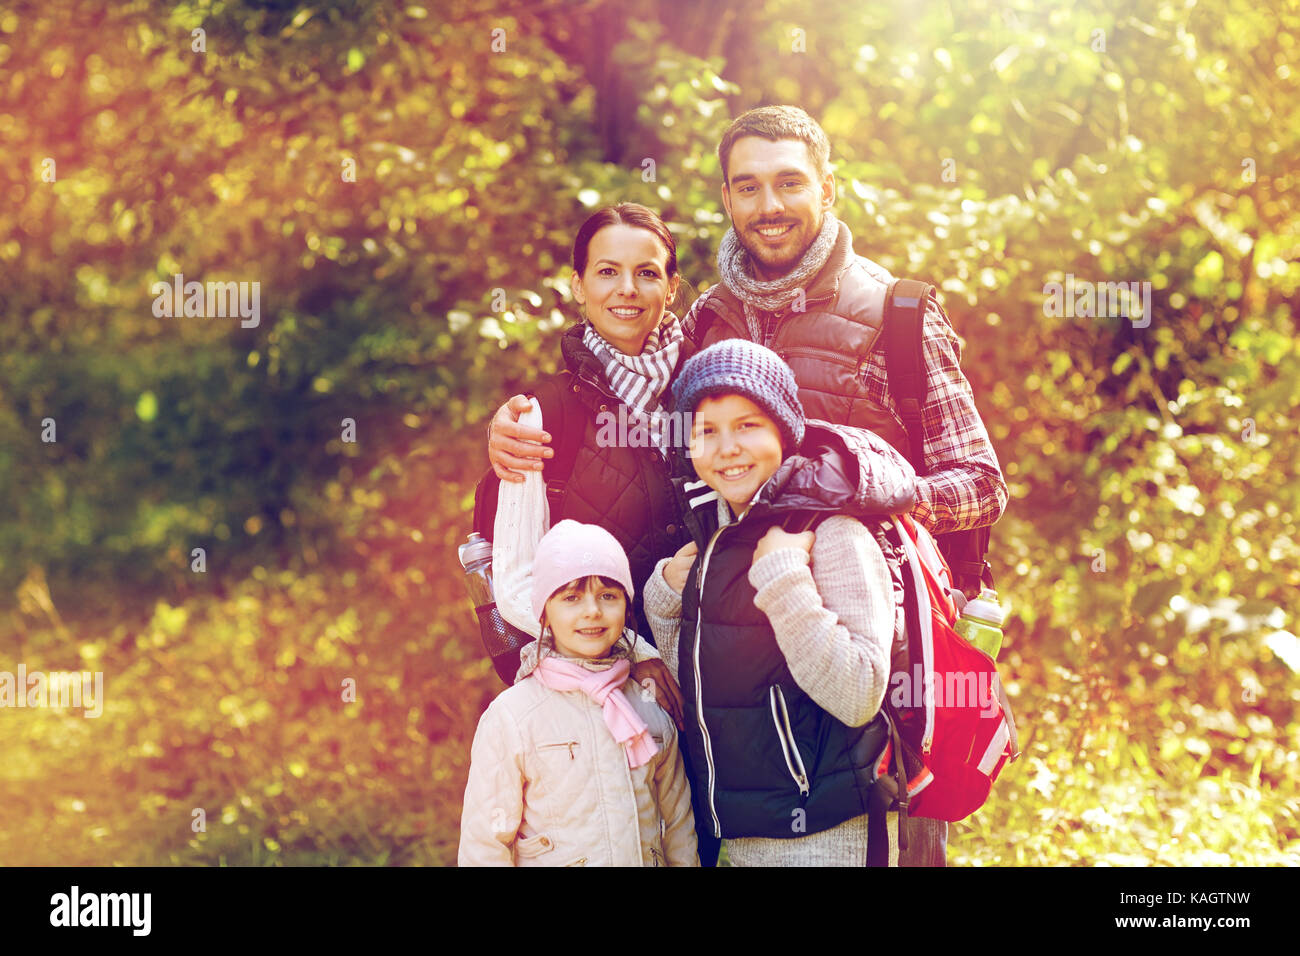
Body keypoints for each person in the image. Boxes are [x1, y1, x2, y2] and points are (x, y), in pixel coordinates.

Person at [488, 106, 1008, 865]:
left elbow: (982, 485)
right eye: (749, 187)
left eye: (790, 182)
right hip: (732, 685)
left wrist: (853, 498)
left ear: (828, 188)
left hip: (875, 681)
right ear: (727, 199)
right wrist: (515, 427)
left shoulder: (896, 313)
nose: (770, 206)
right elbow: (627, 402)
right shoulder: (708, 317)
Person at [642, 339, 916, 866]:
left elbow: (859, 692)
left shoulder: (831, 531)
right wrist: (667, 596)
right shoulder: (717, 536)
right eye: (706, 432)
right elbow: (703, 688)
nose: (727, 448)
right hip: (738, 830)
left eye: (747, 425)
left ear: (784, 432)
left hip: (824, 831)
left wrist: (783, 576)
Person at [488, 202, 694, 725]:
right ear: (579, 285)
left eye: (647, 273)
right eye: (607, 272)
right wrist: (633, 652)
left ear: (671, 288)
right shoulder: (541, 415)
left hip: (716, 690)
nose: (627, 288)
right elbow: (516, 582)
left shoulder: (712, 395)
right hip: (599, 699)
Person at [459, 520, 699, 867]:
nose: (592, 610)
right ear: (543, 612)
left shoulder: (648, 709)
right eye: (571, 597)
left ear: (626, 607)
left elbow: (679, 828)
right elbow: (485, 844)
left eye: (608, 596)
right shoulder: (513, 716)